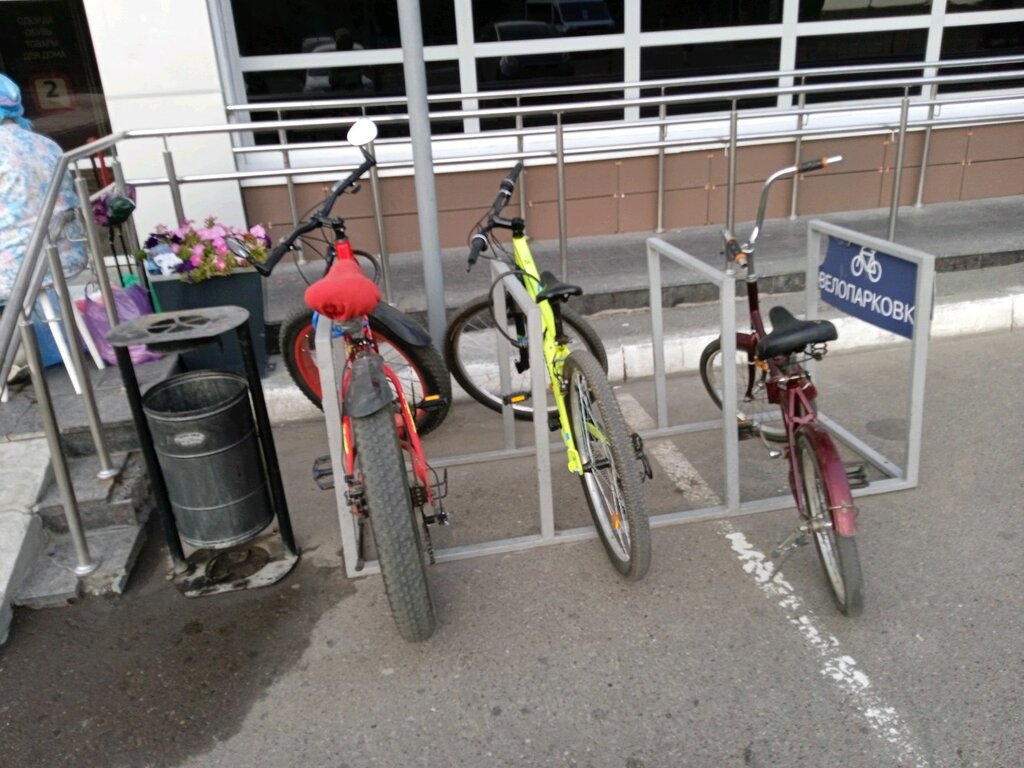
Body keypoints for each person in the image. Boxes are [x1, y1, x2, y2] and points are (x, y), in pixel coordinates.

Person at [0, 73, 87, 383]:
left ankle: (10, 358)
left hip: (17, 270)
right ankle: (18, 353)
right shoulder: (44, 144)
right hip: (64, 257)